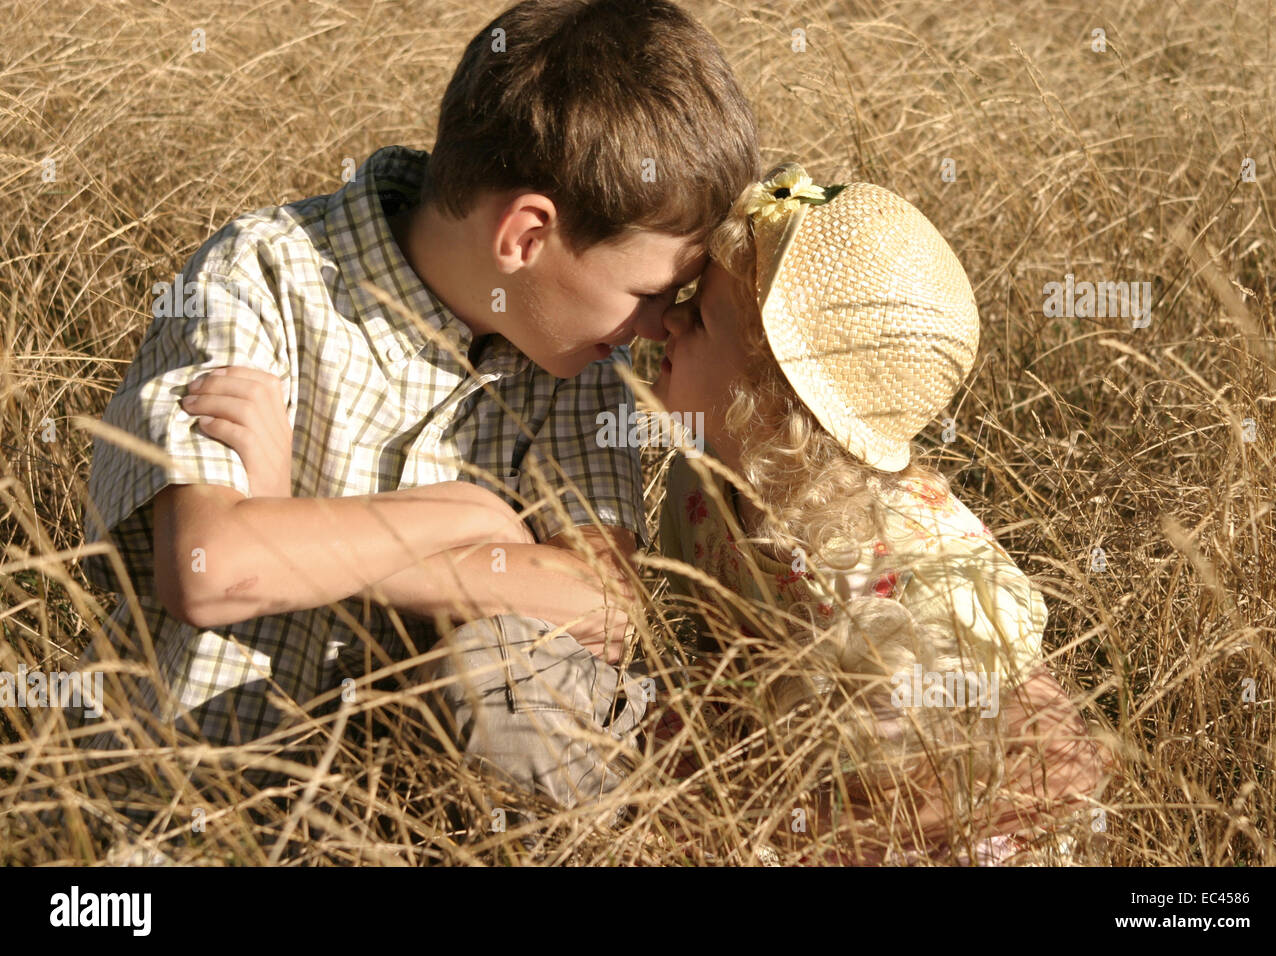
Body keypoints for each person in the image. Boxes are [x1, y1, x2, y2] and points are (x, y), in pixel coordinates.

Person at [65, 0, 760, 837]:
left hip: (404, 827)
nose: (654, 328)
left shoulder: (579, 365)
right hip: (186, 812)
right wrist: (467, 520)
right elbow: (211, 569)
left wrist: (291, 528)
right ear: (525, 235)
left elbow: (606, 607)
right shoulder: (266, 274)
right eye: (647, 292)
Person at [645, 162, 1112, 865]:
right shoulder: (700, 486)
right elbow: (725, 656)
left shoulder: (895, 554)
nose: (671, 317)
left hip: (968, 800)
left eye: (702, 315)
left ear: (774, 395)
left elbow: (1025, 752)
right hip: (818, 761)